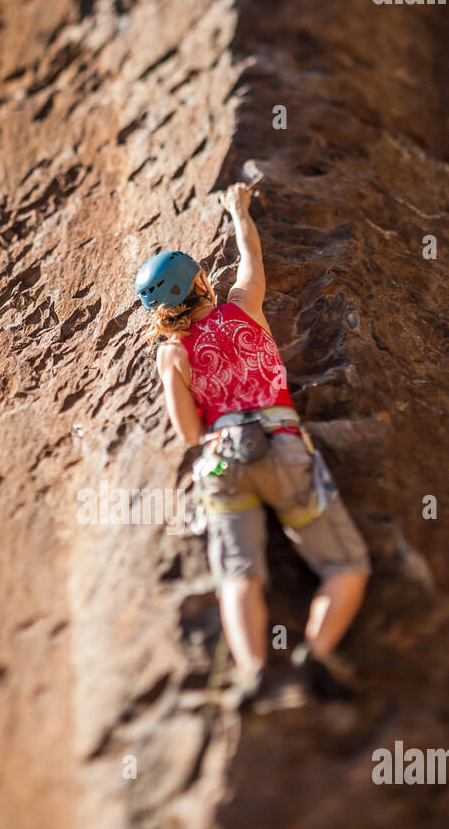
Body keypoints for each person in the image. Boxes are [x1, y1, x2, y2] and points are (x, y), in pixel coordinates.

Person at [136, 182, 370, 704]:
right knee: (345, 566)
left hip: (222, 462)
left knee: (238, 574)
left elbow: (190, 434)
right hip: (282, 442)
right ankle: (316, 650)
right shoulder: (244, 306)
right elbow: (251, 255)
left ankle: (253, 673)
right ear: (197, 281)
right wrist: (238, 209)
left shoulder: (171, 354)